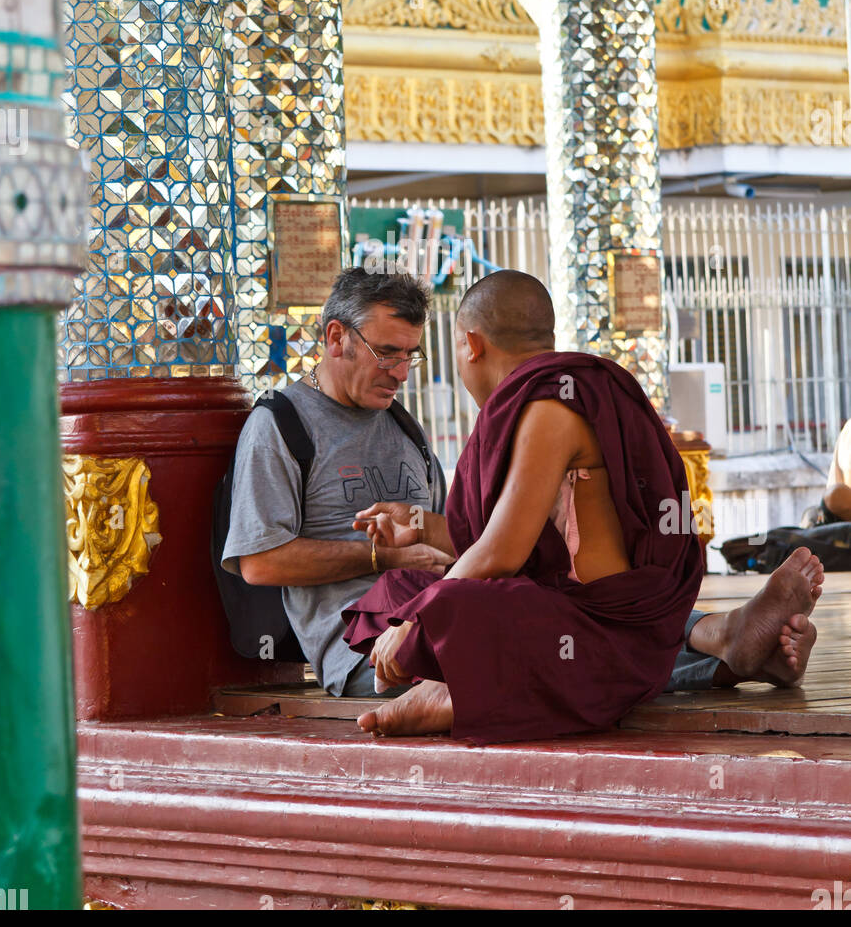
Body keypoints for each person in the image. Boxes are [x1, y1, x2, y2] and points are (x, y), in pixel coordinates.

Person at [341, 271, 822, 741]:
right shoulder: (570, 390)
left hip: (592, 626)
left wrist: (418, 620)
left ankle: (451, 689)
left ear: (471, 344)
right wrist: (423, 528)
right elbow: (524, 540)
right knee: (400, 586)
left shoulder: (548, 408)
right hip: (613, 623)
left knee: (454, 604)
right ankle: (735, 649)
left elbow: (502, 555)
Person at [220, 268, 452, 697]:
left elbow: (449, 533)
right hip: (364, 651)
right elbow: (258, 563)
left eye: (409, 356)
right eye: (386, 353)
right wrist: (384, 557)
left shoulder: (406, 428)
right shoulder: (280, 425)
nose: (400, 374)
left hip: (436, 618)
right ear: (335, 337)